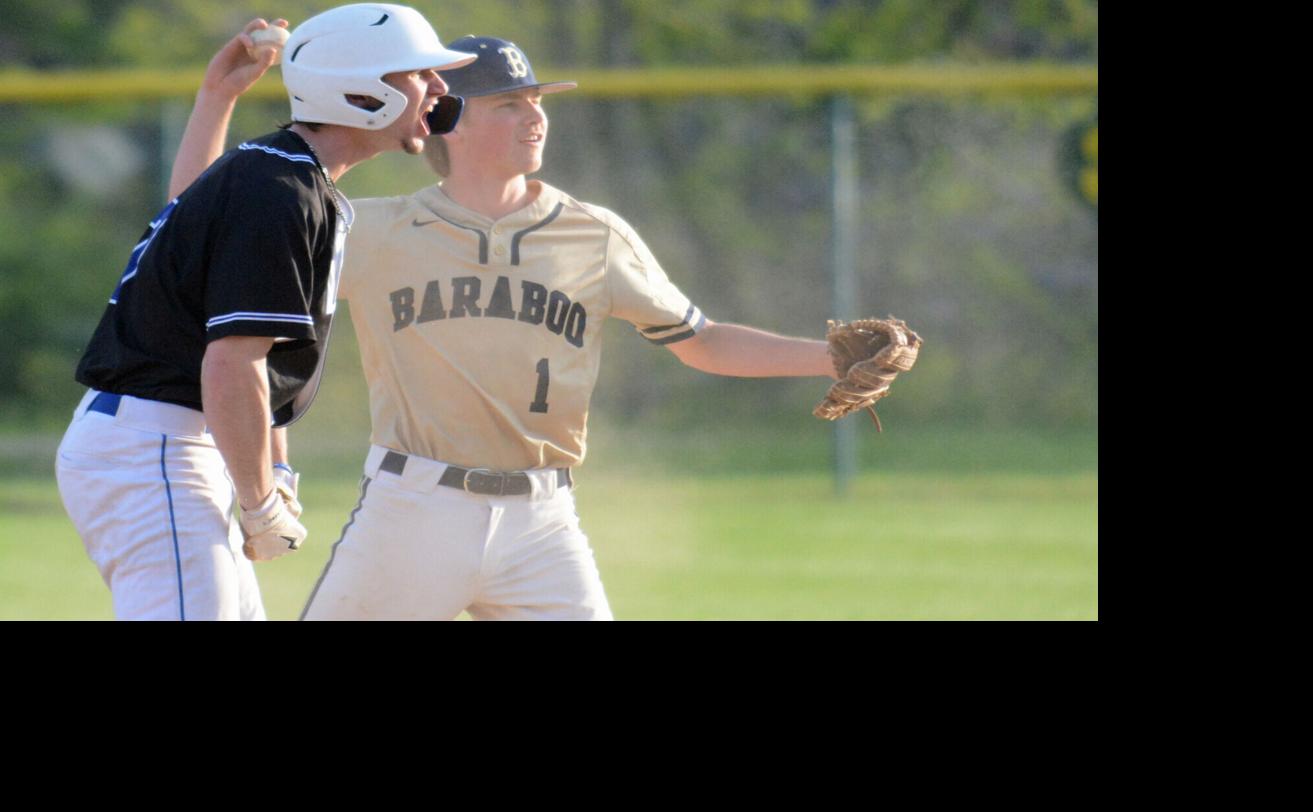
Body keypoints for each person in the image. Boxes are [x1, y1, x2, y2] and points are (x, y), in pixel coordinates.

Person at [176, 32, 846, 621]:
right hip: (413, 510)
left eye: (537, 101)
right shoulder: (373, 230)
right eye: (510, 104)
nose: (535, 117)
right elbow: (199, 225)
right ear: (447, 121)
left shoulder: (594, 234)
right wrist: (216, 98)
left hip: (541, 521)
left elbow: (702, 341)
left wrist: (831, 357)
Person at [54, 4, 476, 621]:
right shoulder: (280, 191)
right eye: (418, 72)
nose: (439, 88)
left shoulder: (282, 175)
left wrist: (215, 97)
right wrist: (258, 502)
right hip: (156, 449)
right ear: (361, 91)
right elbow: (232, 365)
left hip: (164, 443)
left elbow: (189, 219)